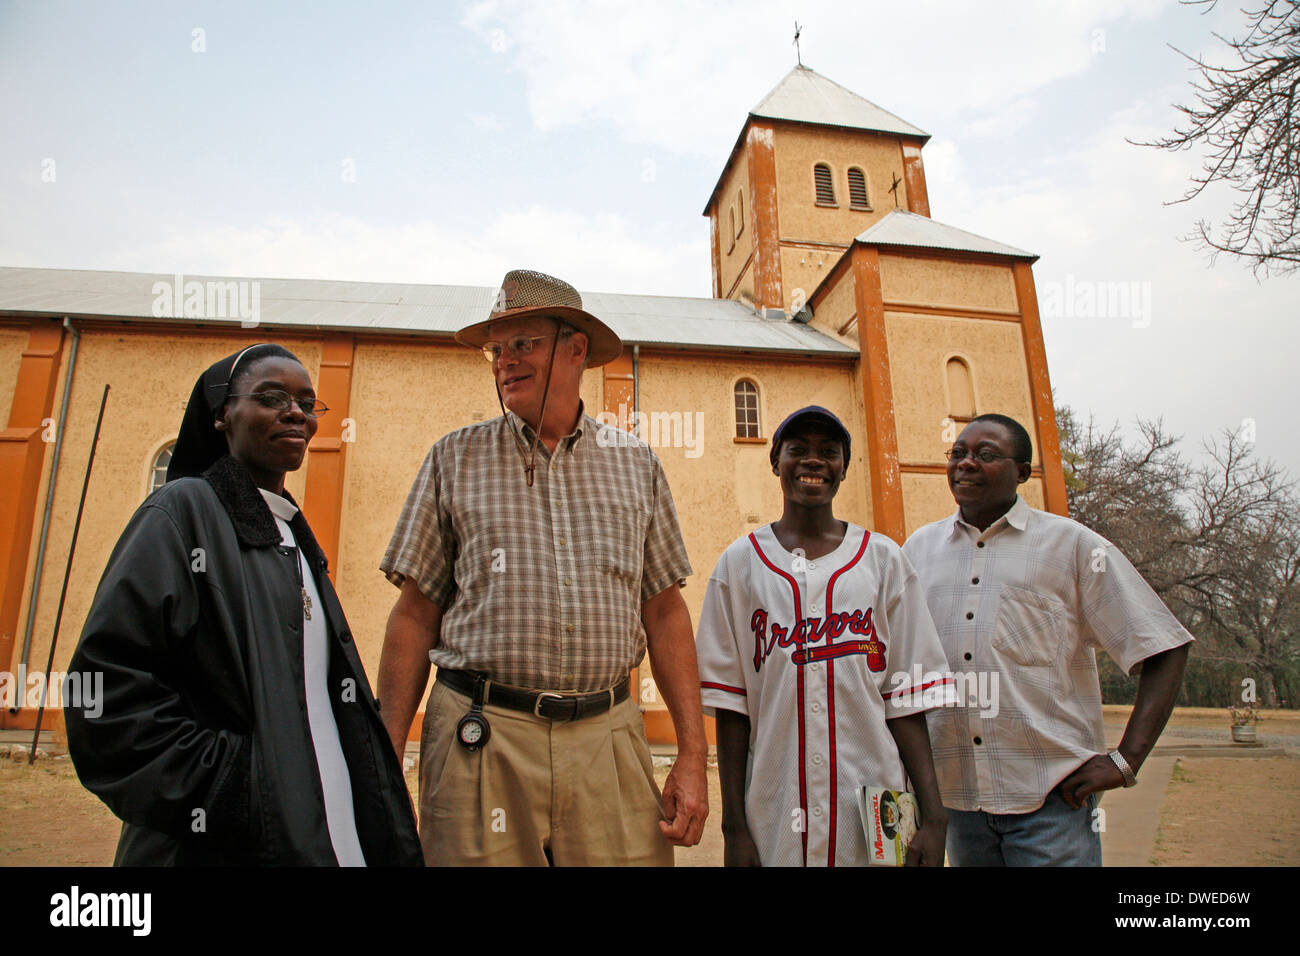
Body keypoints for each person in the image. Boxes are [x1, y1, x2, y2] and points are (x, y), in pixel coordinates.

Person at [377, 269, 708, 866]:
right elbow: (413, 615)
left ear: (575, 348)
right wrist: (383, 757)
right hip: (481, 740)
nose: (505, 361)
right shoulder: (453, 459)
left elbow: (664, 610)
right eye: (496, 349)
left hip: (608, 739)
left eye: (524, 343)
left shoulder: (636, 465)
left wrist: (691, 751)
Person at [65, 344, 422, 866]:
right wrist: (236, 787)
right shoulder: (181, 512)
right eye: (272, 397)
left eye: (306, 402)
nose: (296, 412)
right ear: (221, 415)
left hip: (326, 825)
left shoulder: (291, 531)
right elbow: (105, 694)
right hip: (230, 841)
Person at [902, 412, 1192, 866]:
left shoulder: (1073, 547)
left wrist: (1126, 759)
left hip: (1052, 800)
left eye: (986, 454)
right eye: (957, 453)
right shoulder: (917, 550)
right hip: (957, 805)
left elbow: (1164, 644)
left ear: (1022, 472)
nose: (966, 464)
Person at [696, 406, 952, 867]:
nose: (813, 461)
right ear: (776, 462)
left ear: (843, 469)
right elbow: (732, 710)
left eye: (828, 452)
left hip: (874, 802)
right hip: (774, 808)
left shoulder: (883, 560)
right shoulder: (739, 564)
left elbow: (906, 701)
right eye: (798, 450)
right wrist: (733, 826)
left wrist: (935, 818)